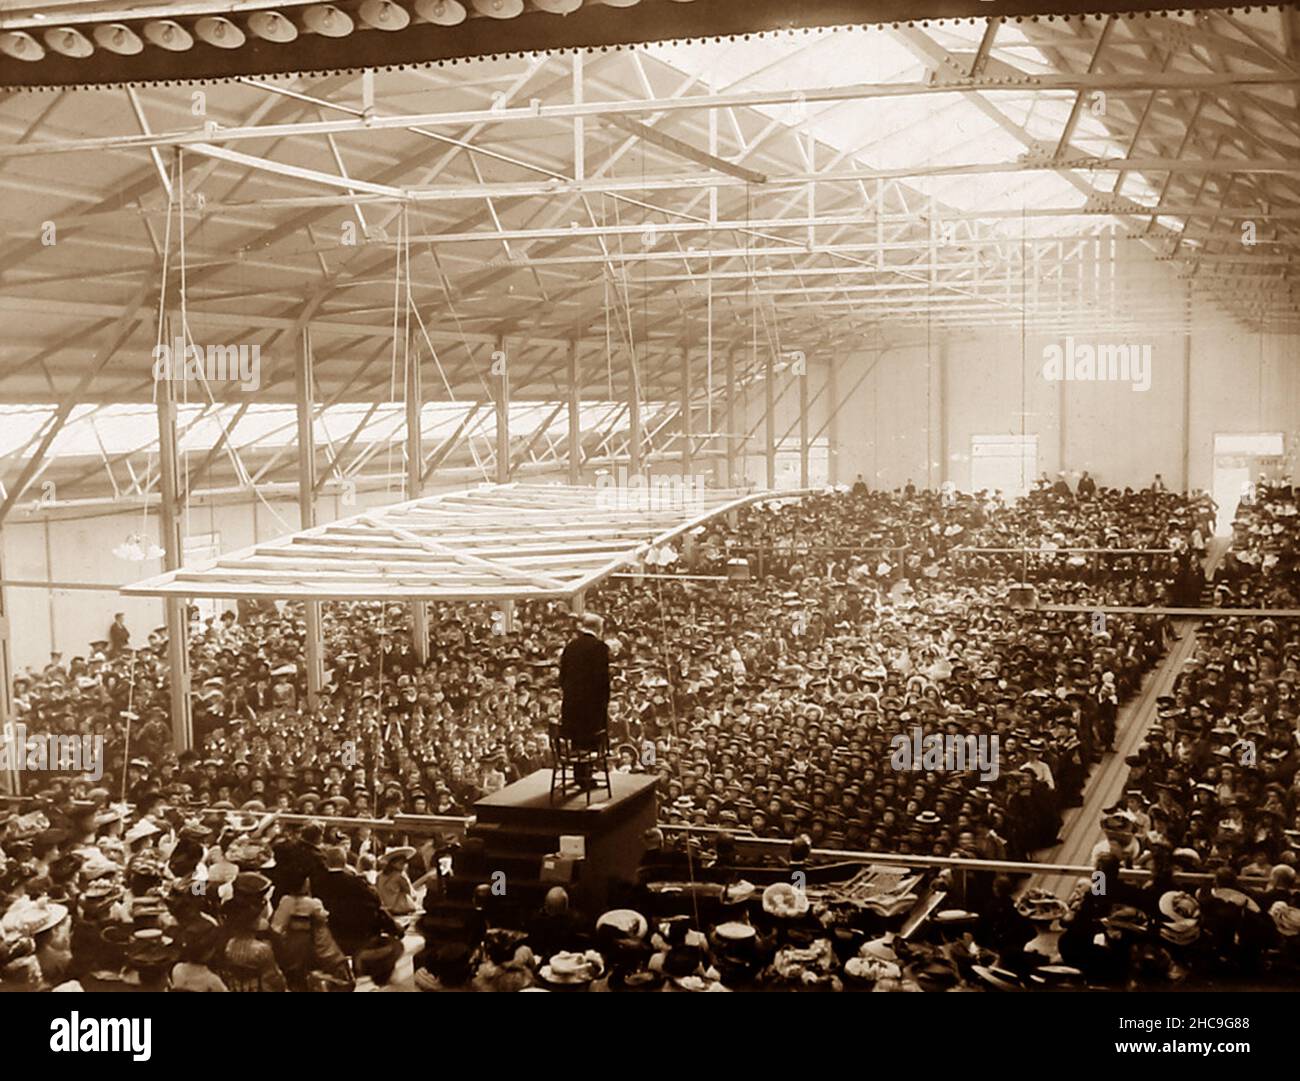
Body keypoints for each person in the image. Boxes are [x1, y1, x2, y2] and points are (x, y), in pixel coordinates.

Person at [559, 612, 611, 787]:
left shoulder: (570, 646)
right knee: (590, 742)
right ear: (598, 628)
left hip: (571, 708)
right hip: (591, 708)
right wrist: (604, 703)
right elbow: (602, 680)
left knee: (577, 742)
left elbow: (562, 677)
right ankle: (585, 777)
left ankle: (579, 776)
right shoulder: (600, 647)